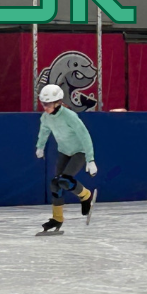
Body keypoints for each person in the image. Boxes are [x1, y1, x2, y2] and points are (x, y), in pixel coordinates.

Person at [36, 83, 98, 233]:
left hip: (79, 152)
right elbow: (44, 131)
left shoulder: (69, 116)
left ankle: (86, 195)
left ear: (58, 102)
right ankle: (57, 219)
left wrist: (90, 159)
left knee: (65, 181)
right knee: (55, 184)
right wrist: (40, 146)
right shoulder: (46, 117)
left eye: (48, 104)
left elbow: (85, 135)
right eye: (43, 104)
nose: (45, 107)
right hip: (64, 151)